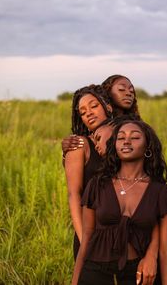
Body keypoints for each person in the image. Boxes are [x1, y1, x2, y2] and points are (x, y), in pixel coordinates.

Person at [73, 120, 167, 285]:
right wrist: (75, 281)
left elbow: (166, 251)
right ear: (114, 146)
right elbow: (87, 237)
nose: (126, 141)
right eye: (121, 138)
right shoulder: (97, 185)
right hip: (95, 271)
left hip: (137, 274)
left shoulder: (161, 192)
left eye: (135, 137)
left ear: (148, 148)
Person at [64, 84, 112, 260]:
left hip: (122, 229)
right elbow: (73, 194)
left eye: (94, 106)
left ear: (107, 105)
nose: (89, 113)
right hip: (92, 229)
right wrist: (84, 239)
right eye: (83, 112)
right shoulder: (79, 145)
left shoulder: (124, 140)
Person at [62, 75, 140, 155]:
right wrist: (68, 150)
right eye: (121, 89)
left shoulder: (136, 125)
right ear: (107, 92)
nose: (128, 93)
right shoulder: (94, 128)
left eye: (131, 91)